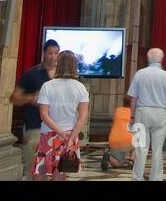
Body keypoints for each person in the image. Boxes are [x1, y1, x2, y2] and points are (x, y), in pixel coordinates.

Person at [33, 51, 90, 181]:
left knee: (41, 172)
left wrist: (59, 132)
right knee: (61, 173)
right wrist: (70, 137)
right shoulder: (81, 88)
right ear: (74, 66)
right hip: (71, 134)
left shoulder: (47, 86)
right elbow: (83, 116)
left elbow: (44, 115)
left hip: (48, 134)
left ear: (58, 65)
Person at [126, 46, 166, 181]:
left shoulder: (139, 74)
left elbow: (133, 98)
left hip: (142, 112)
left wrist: (132, 116)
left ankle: (137, 177)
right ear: (161, 59)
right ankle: (156, 178)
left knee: (140, 148)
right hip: (160, 114)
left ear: (148, 59)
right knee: (157, 149)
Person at [11, 38, 60, 178]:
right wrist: (31, 98)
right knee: (35, 170)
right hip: (35, 128)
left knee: (56, 170)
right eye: (50, 53)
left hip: (57, 128)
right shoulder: (32, 74)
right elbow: (14, 98)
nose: (53, 57)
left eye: (56, 53)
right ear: (44, 54)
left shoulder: (61, 77)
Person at [102, 97, 136, 171]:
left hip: (114, 141)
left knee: (118, 163)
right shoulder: (134, 113)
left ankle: (108, 157)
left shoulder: (118, 110)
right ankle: (131, 161)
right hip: (128, 141)